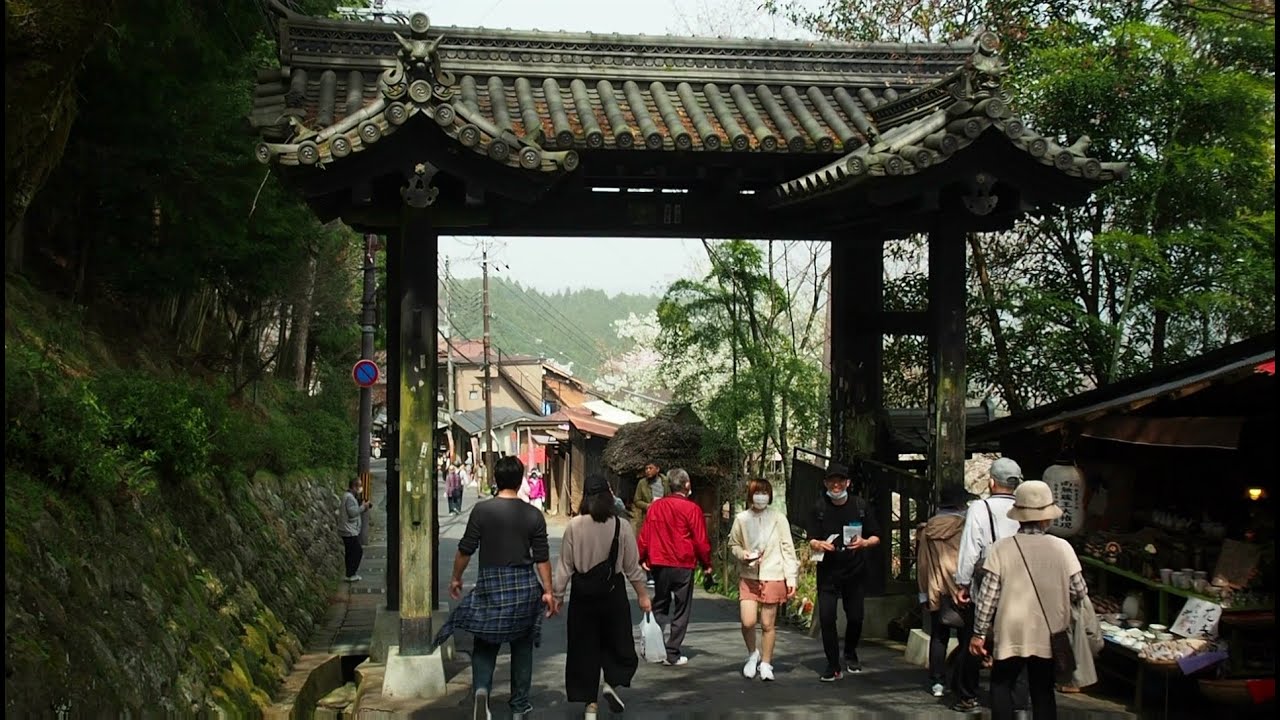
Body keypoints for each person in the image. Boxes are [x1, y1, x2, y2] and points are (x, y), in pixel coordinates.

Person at [434, 456, 558, 720]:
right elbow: (542, 558)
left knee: (486, 642)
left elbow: (465, 549)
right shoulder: (533, 515)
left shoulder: (482, 511)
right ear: (520, 479)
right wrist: (548, 591)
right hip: (523, 585)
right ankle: (519, 706)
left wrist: (456, 578)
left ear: (496, 479)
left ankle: (481, 691)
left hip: (491, 585)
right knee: (522, 647)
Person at [969, 480, 1088, 720]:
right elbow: (1079, 591)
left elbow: (988, 597)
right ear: (1047, 518)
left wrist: (979, 633)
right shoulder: (1062, 548)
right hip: (1049, 632)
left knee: (1002, 685)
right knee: (1043, 689)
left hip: (1010, 632)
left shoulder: (1001, 549)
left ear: (1019, 516)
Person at [554, 474, 652, 719]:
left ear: (585, 496)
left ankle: (590, 706)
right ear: (609, 496)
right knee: (618, 643)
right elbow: (632, 566)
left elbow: (564, 566)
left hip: (582, 595)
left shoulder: (574, 526)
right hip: (612, 594)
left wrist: (557, 597)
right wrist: (643, 595)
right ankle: (611, 684)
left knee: (584, 649)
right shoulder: (621, 525)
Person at [950, 457, 1024, 714]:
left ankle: (967, 695)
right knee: (1014, 641)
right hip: (1019, 587)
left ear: (992, 482)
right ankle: (1010, 693)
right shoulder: (1025, 507)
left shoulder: (980, 509)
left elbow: (970, 549)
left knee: (975, 637)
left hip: (986, 584)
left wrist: (962, 582)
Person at [806, 462, 882, 681]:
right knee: (827, 618)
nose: (836, 485)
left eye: (840, 480)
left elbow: (876, 536)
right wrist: (818, 545)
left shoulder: (860, 506)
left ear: (848, 483)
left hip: (855, 571)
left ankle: (850, 652)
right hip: (828, 572)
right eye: (832, 481)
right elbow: (811, 538)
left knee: (856, 617)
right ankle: (833, 664)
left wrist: (864, 543)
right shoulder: (818, 508)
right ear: (826, 483)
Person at [637, 468, 712, 667]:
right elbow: (701, 541)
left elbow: (645, 535)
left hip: (660, 563)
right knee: (682, 608)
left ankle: (656, 646)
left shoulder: (656, 507)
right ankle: (672, 651)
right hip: (683, 564)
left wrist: (641, 557)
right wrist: (707, 564)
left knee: (660, 603)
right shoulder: (692, 509)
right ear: (686, 485)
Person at [728, 478, 798, 681]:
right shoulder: (741, 518)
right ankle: (752, 654)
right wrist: (743, 554)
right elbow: (733, 544)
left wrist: (791, 577)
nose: (761, 496)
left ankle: (766, 662)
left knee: (768, 623)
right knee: (747, 621)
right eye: (757, 492)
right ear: (750, 495)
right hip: (749, 575)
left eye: (765, 492)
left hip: (774, 574)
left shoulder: (778, 518)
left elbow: (788, 548)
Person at [915, 484, 971, 698]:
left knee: (939, 636)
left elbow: (922, 565)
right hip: (964, 588)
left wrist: (923, 593)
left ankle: (937, 681)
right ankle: (962, 679)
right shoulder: (967, 526)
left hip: (936, 588)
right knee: (967, 635)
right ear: (961, 503)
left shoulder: (928, 529)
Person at [340, 477, 373, 582]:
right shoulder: (349, 497)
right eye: (359, 486)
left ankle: (349, 574)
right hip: (349, 530)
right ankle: (351, 573)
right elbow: (352, 513)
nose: (361, 488)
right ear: (354, 486)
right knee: (357, 551)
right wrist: (363, 507)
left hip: (347, 529)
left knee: (350, 552)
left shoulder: (348, 496)